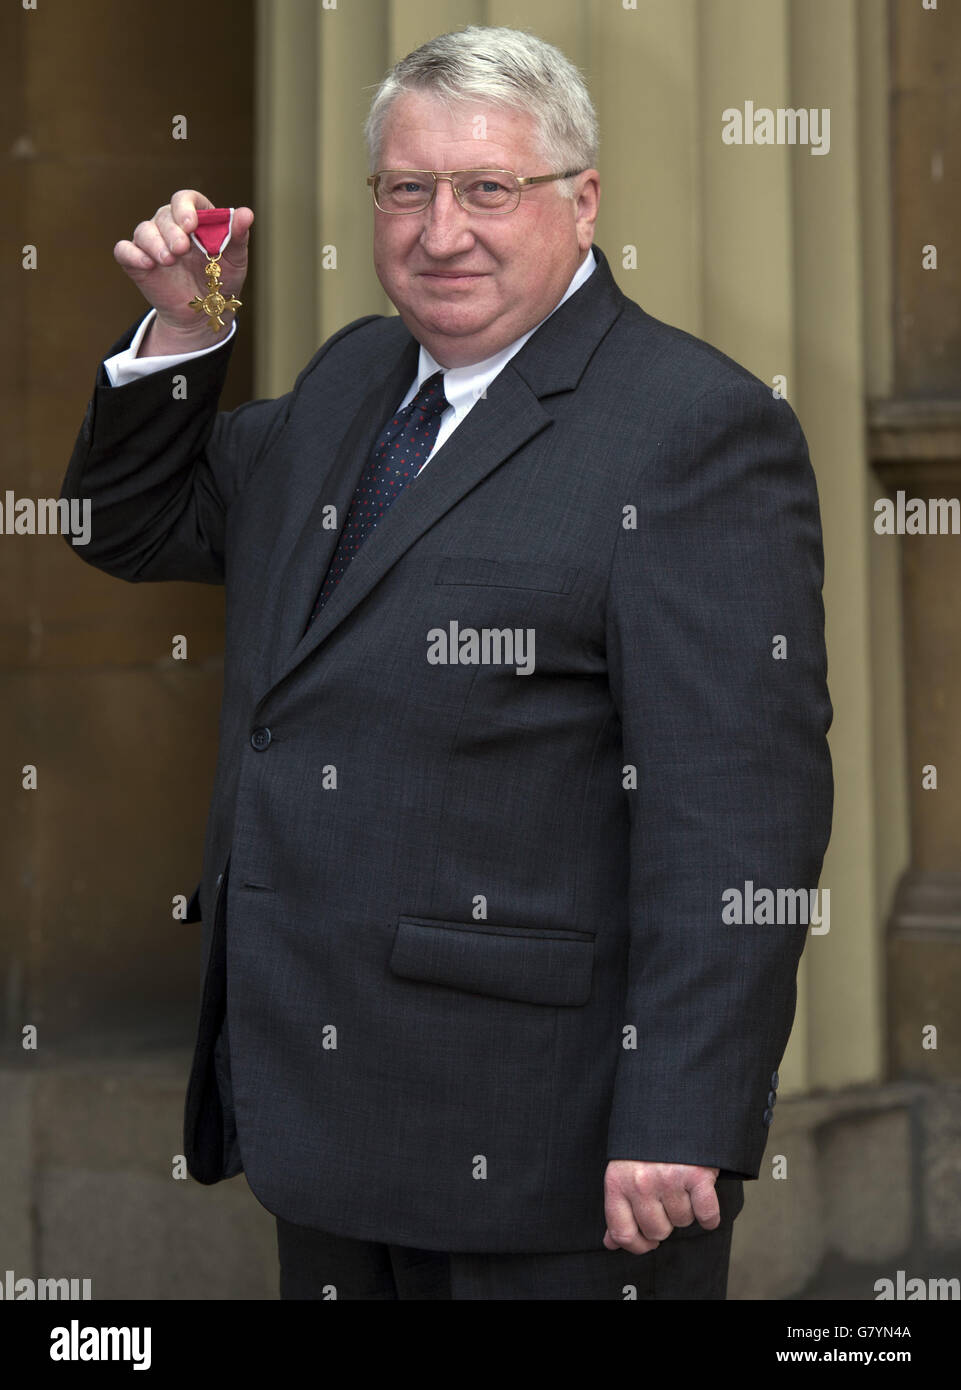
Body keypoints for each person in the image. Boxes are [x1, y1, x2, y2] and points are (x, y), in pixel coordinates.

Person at [61, 26, 833, 1301]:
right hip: (321, 1122)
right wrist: (185, 326)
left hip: (554, 1156)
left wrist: (682, 1110)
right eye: (407, 190)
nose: (441, 230)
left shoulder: (696, 432)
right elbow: (123, 524)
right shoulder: (355, 378)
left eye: (489, 189)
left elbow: (738, 816)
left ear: (581, 203)